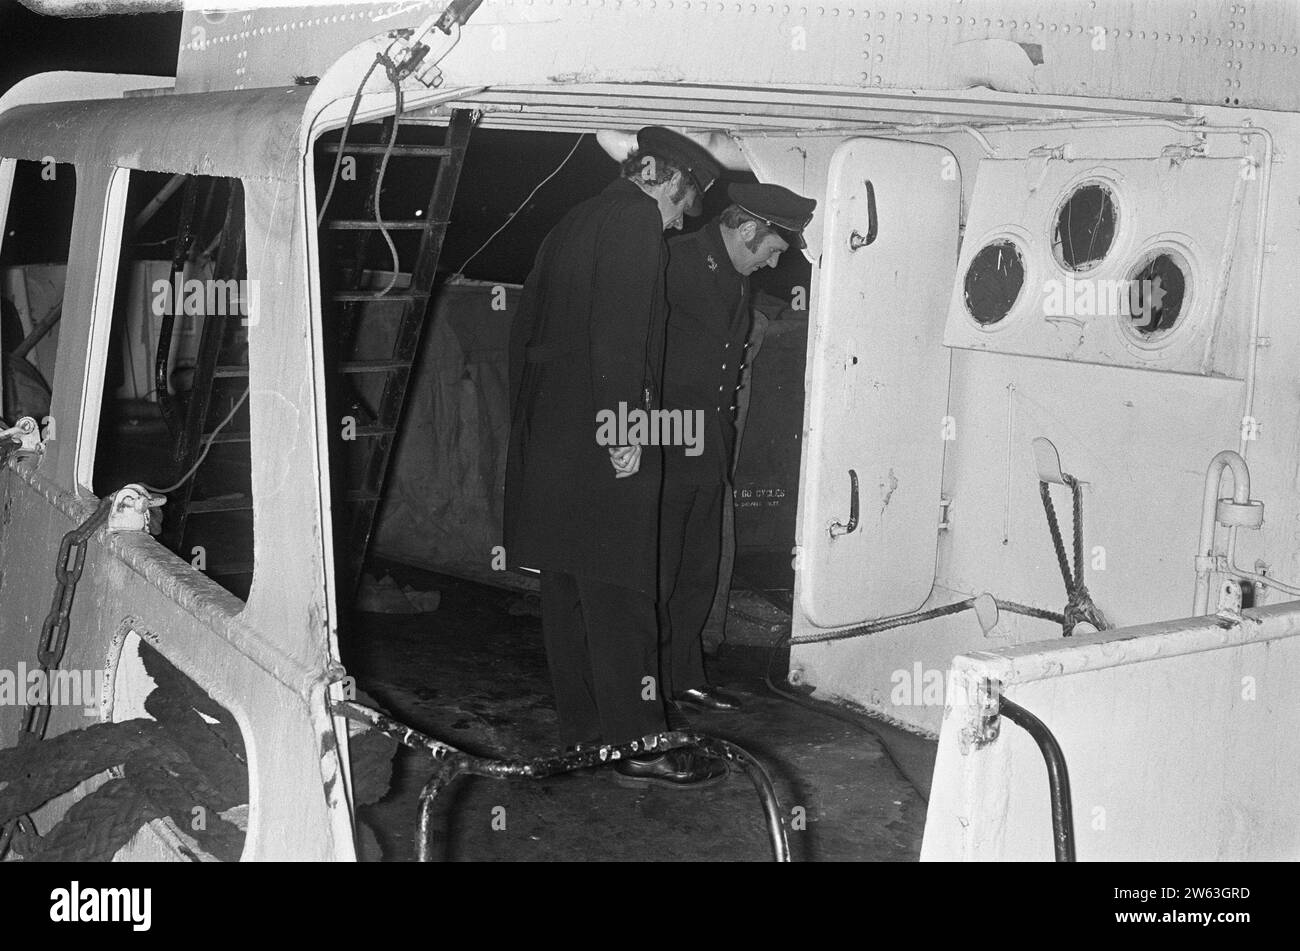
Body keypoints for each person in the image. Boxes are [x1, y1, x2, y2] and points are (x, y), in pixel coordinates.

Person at [505, 127, 729, 788]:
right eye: (683, 197)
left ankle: (589, 732)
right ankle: (640, 746)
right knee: (623, 596)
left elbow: (525, 335)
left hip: (555, 445)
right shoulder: (633, 221)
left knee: (569, 592)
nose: (684, 215)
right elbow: (621, 336)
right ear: (655, 173)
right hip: (603, 441)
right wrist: (624, 428)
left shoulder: (574, 219)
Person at [658, 183, 816, 712]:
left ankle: (684, 674)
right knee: (660, 567)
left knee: (699, 566)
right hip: (665, 441)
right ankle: (648, 683)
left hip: (708, 443)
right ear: (748, 230)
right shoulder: (673, 263)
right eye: (772, 250)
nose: (773, 265)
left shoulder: (730, 275)